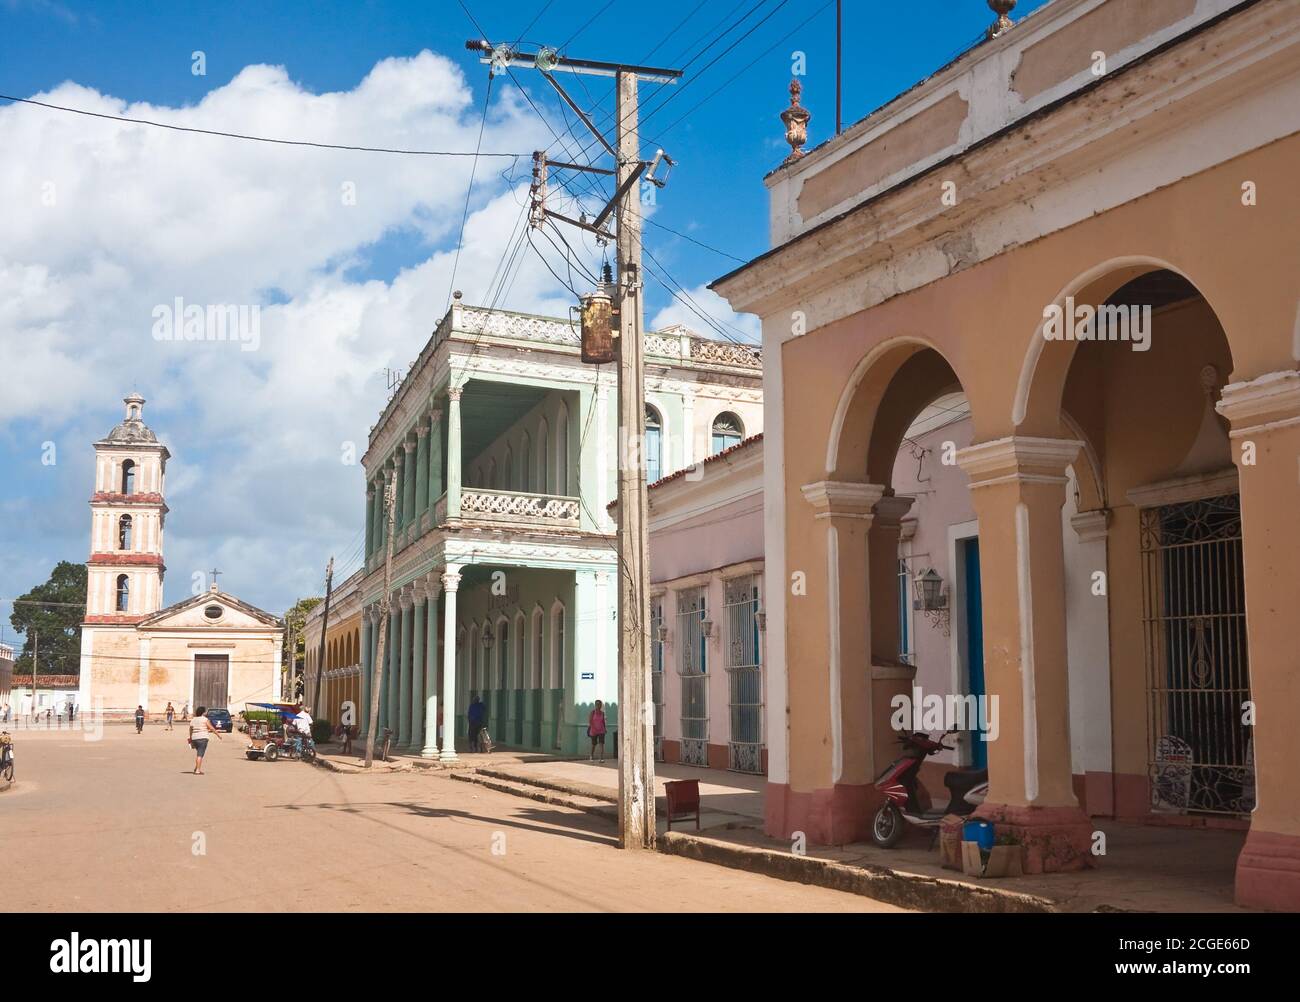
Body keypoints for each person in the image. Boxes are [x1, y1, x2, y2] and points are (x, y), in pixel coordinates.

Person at [189, 705, 222, 774]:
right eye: (205, 712)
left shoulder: (193, 719)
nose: (206, 713)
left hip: (195, 738)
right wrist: (218, 735)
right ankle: (198, 770)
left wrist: (191, 738)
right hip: (203, 738)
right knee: (200, 754)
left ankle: (196, 768)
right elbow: (211, 728)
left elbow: (190, 730)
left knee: (199, 753)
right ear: (203, 712)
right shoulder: (205, 719)